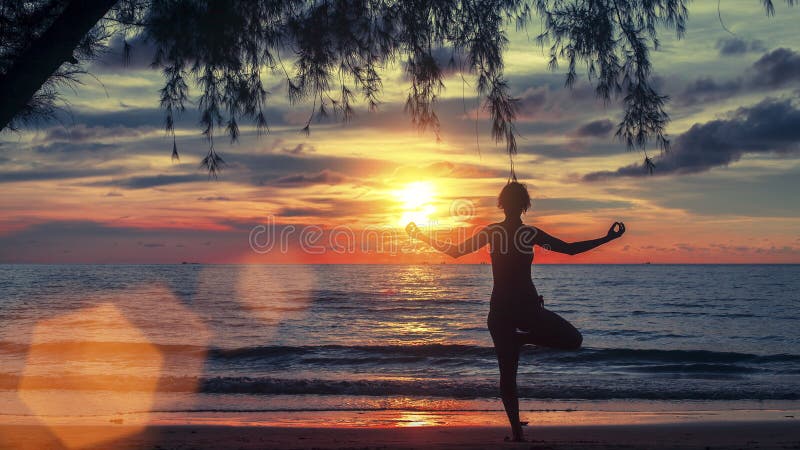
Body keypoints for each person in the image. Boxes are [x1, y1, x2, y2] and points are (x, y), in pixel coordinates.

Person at [405, 181, 625, 442]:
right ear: (524, 205)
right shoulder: (527, 233)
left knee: (508, 374)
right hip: (522, 307)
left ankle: (518, 432)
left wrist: (421, 236)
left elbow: (454, 252)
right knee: (569, 341)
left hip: (502, 309)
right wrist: (607, 238)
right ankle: (523, 351)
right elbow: (569, 249)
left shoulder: (495, 232)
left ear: (503, 204)